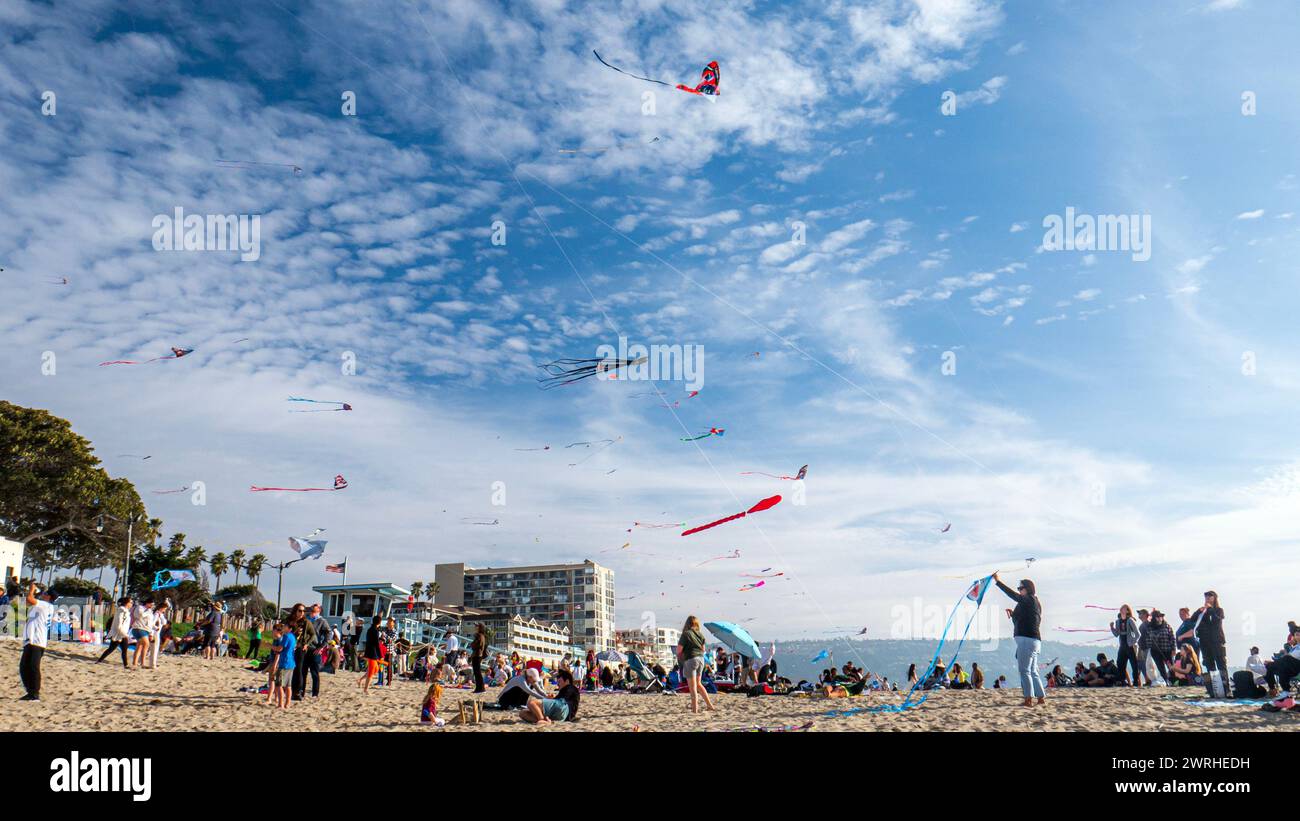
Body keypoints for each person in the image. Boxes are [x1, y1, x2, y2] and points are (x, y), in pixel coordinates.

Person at [994, 572, 1045, 707]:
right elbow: (1022, 622)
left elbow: (1013, 595)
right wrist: (1013, 615)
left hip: (1027, 640)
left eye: (1020, 588)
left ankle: (1028, 699)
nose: (1019, 591)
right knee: (1033, 671)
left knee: (1025, 671)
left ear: (1027, 589)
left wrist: (998, 582)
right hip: (1033, 640)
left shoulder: (1029, 599)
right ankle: (1040, 698)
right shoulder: (1033, 603)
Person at [19, 583, 56, 701]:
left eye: (45, 593)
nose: (43, 594)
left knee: (33, 667)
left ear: (49, 597)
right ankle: (30, 691)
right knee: (24, 667)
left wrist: (32, 589)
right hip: (31, 640)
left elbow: (30, 599)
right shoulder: (42, 605)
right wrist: (32, 592)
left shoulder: (46, 605)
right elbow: (27, 602)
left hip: (37, 641)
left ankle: (35, 694)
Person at [676, 615, 715, 714]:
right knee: (698, 684)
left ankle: (695, 709)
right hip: (701, 660)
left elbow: (678, 650)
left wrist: (681, 658)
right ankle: (709, 705)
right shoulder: (700, 634)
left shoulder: (686, 634)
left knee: (692, 687)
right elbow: (703, 650)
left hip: (691, 660)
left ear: (687, 624)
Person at [1195, 590, 1231, 696]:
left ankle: (1226, 688)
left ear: (1214, 598)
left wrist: (1210, 609)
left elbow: (1216, 620)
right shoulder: (1202, 612)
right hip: (1205, 642)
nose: (1207, 598)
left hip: (1217, 641)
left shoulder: (1219, 610)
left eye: (1210, 596)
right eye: (1206, 597)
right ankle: (1212, 688)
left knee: (1221, 664)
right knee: (1209, 664)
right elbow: (1193, 621)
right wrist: (1199, 611)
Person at [301, 603, 329, 698]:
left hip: (314, 649)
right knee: (302, 672)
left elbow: (329, 634)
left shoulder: (322, 621)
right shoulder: (305, 619)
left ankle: (315, 694)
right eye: (311, 610)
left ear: (319, 611)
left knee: (314, 673)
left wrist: (321, 647)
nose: (312, 612)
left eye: (314, 611)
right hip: (304, 649)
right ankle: (301, 692)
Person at [97, 596, 133, 668]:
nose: (132, 604)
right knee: (112, 649)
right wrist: (125, 634)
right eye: (131, 602)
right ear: (127, 603)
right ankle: (99, 660)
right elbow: (118, 624)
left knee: (124, 649)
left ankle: (126, 665)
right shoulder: (121, 611)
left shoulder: (126, 611)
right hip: (118, 633)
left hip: (122, 633)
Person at [1263, 626, 1300, 696]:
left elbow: (1292, 656)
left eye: (1299, 635)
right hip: (1288, 667)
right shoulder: (1295, 647)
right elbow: (1289, 655)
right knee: (1269, 667)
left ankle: (1284, 692)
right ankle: (1273, 689)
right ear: (1294, 636)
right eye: (1297, 635)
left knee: (1286, 660)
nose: (1298, 637)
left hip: (1296, 668)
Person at [1109, 604, 1140, 686]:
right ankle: (1122, 681)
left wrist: (1132, 643)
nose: (1122, 610)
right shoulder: (1118, 621)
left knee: (1134, 664)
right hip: (1122, 645)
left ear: (1127, 611)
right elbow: (1116, 634)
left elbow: (1137, 634)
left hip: (1130, 645)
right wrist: (1112, 627)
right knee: (1120, 663)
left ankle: (1135, 681)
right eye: (1121, 609)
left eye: (1124, 609)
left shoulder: (1130, 620)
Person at [268, 622, 296, 709]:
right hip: (291, 662)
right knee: (288, 685)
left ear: (289, 628)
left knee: (279, 685)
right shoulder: (292, 636)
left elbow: (279, 649)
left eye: (285, 625)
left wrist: (269, 646)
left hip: (285, 662)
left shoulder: (286, 636)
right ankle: (287, 703)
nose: (283, 627)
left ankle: (281, 704)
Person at [1148, 610, 1176, 685]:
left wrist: (1173, 649)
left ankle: (1174, 681)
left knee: (1171, 666)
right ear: (1155, 618)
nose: (1160, 618)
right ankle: (1166, 681)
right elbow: (1149, 640)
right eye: (1158, 617)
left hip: (1167, 650)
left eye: (1161, 616)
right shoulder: (1150, 627)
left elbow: (1172, 638)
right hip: (1155, 651)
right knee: (1161, 668)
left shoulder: (1167, 626)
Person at [357, 615, 383, 693]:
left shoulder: (371, 629)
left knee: (375, 670)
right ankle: (366, 689)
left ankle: (360, 680)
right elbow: (376, 644)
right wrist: (380, 655)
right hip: (372, 652)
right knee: (372, 671)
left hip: (370, 651)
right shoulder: (375, 631)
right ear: (379, 622)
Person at [130, 598, 154, 670]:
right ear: (147, 603)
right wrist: (148, 611)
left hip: (146, 629)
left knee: (139, 646)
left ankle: (135, 663)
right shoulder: (140, 607)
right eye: (151, 604)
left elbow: (150, 622)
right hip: (139, 628)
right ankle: (142, 663)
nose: (152, 606)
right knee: (146, 644)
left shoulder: (150, 611)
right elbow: (140, 615)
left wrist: (152, 631)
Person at [149, 600, 169, 669]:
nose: (165, 610)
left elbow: (164, 622)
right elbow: (152, 623)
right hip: (155, 633)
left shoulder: (160, 614)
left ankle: (151, 663)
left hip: (157, 633)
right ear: (162, 608)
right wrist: (154, 630)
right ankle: (152, 664)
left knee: (153, 648)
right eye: (165, 608)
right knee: (154, 648)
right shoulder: (156, 614)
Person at [470, 622, 488, 694]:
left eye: (476, 626)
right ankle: (479, 688)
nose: (475, 627)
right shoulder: (481, 636)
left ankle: (480, 688)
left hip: (477, 655)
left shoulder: (479, 636)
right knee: (477, 673)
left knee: (477, 673)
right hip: (478, 655)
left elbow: (476, 645)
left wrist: (472, 644)